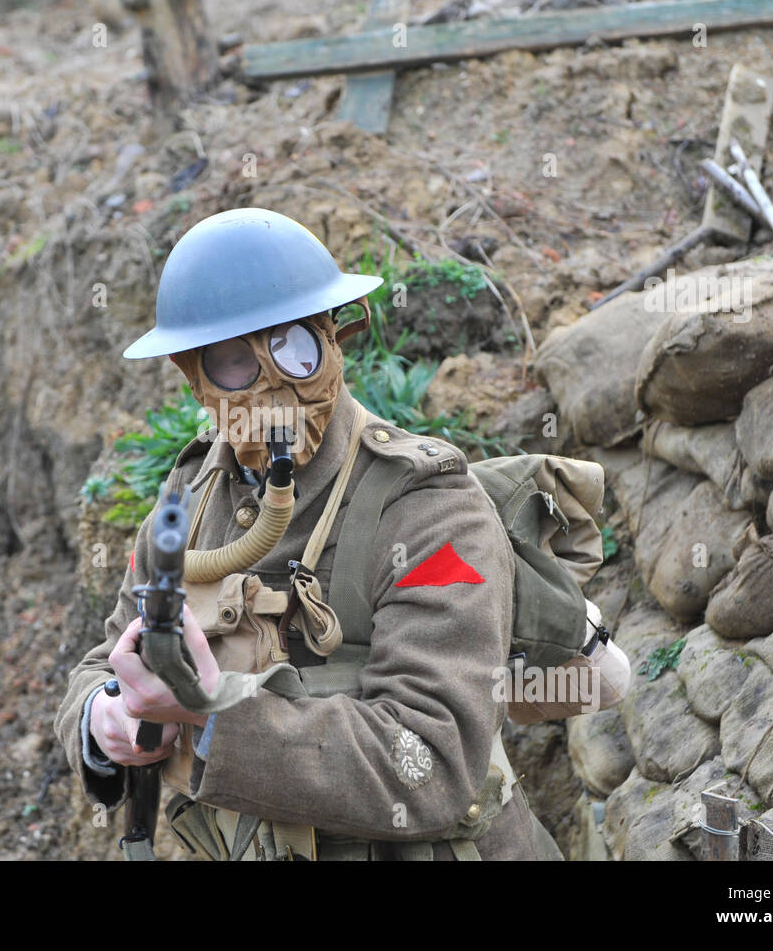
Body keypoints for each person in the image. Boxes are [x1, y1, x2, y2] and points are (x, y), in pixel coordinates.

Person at [54, 207, 562, 860]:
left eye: (295, 347)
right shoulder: (188, 498)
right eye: (236, 360)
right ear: (193, 376)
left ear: (334, 335)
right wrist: (104, 718)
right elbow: (106, 658)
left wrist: (207, 714)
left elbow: (433, 758)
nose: (273, 386)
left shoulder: (429, 507)